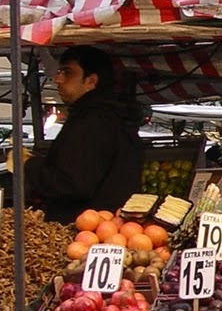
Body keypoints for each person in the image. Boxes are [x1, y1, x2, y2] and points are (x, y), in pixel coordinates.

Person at [25, 46, 143, 223]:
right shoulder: (112, 117)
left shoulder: (91, 121)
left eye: (67, 72)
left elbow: (72, 184)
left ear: (91, 81)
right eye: (59, 72)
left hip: (87, 229)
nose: (57, 79)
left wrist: (29, 164)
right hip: (110, 226)